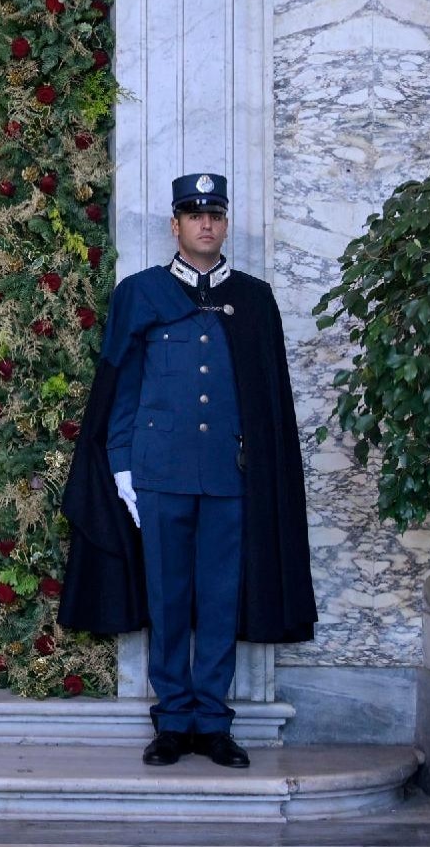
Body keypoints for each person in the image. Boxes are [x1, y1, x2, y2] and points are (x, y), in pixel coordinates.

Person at [59, 174, 316, 769]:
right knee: (169, 598)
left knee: (221, 599)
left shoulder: (253, 299)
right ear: (174, 225)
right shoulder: (141, 294)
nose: (206, 224)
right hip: (159, 476)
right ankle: (173, 719)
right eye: (194, 215)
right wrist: (121, 467)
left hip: (229, 477)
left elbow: (267, 398)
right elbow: (120, 389)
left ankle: (213, 721)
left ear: (225, 225)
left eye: (216, 215)